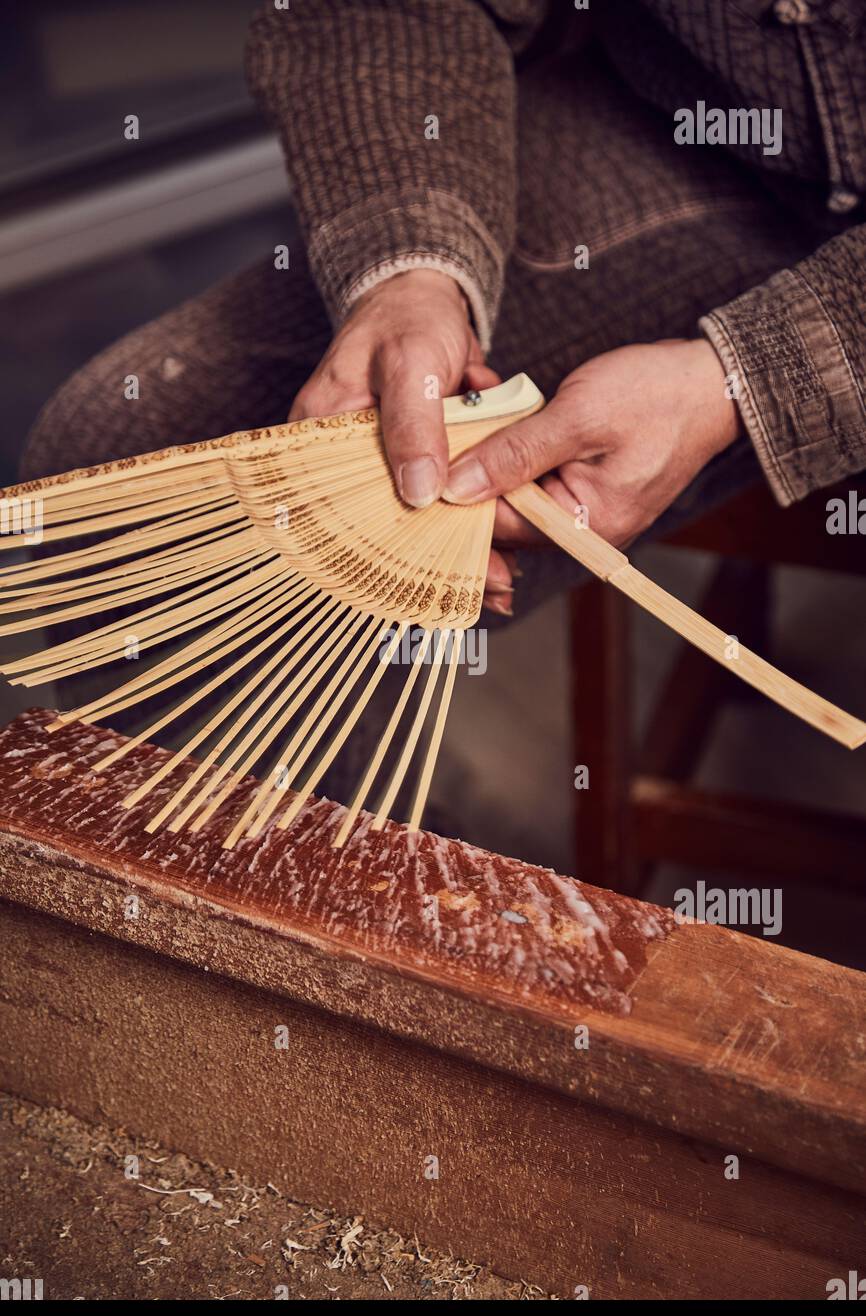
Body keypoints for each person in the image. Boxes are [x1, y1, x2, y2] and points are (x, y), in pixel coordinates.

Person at [19, 1, 866, 818]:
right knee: (131, 460)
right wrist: (408, 269)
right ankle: (261, 924)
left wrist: (758, 374)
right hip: (694, 136)